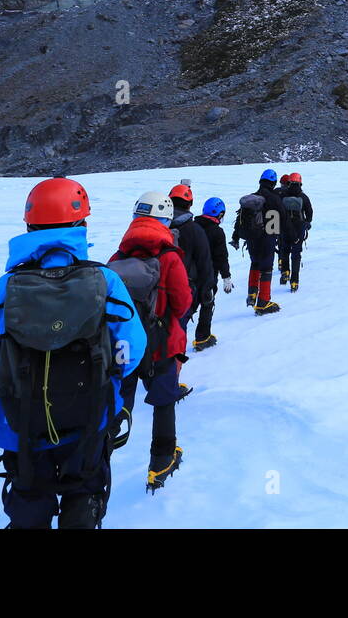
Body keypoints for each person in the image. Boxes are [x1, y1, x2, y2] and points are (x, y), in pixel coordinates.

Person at [0, 177, 146, 529]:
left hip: (19, 426)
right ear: (81, 224)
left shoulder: (4, 290)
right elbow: (131, 350)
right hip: (90, 419)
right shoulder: (105, 282)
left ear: (29, 226)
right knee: (85, 494)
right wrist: (110, 387)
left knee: (28, 502)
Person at [109, 191, 193, 492]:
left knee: (120, 401)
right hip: (162, 345)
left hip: (125, 349)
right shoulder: (169, 256)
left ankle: (101, 454)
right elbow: (183, 303)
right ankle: (161, 461)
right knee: (163, 402)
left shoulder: (118, 257)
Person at [231, 168, 288, 316]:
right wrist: (291, 237)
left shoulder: (252, 198)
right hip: (268, 237)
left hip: (251, 239)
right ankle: (263, 302)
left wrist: (235, 236)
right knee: (266, 267)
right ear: (274, 182)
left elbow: (240, 219)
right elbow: (283, 218)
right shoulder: (274, 199)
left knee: (255, 263)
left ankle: (252, 294)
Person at [168, 181, 214, 342]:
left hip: (156, 288)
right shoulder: (195, 230)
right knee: (178, 331)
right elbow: (204, 263)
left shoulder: (158, 226)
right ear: (190, 204)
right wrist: (207, 290)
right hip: (184, 288)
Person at [192, 196, 234, 351]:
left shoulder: (192, 226)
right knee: (207, 304)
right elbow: (221, 257)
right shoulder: (217, 232)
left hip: (189, 274)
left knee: (187, 307)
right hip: (208, 276)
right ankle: (202, 338)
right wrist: (226, 277)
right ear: (219, 214)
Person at [277, 172, 314, 292]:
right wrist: (307, 223)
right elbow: (309, 211)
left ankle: (285, 271)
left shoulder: (282, 195)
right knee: (296, 254)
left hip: (285, 227)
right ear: (300, 183)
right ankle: (294, 282)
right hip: (299, 228)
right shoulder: (303, 197)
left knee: (285, 249)